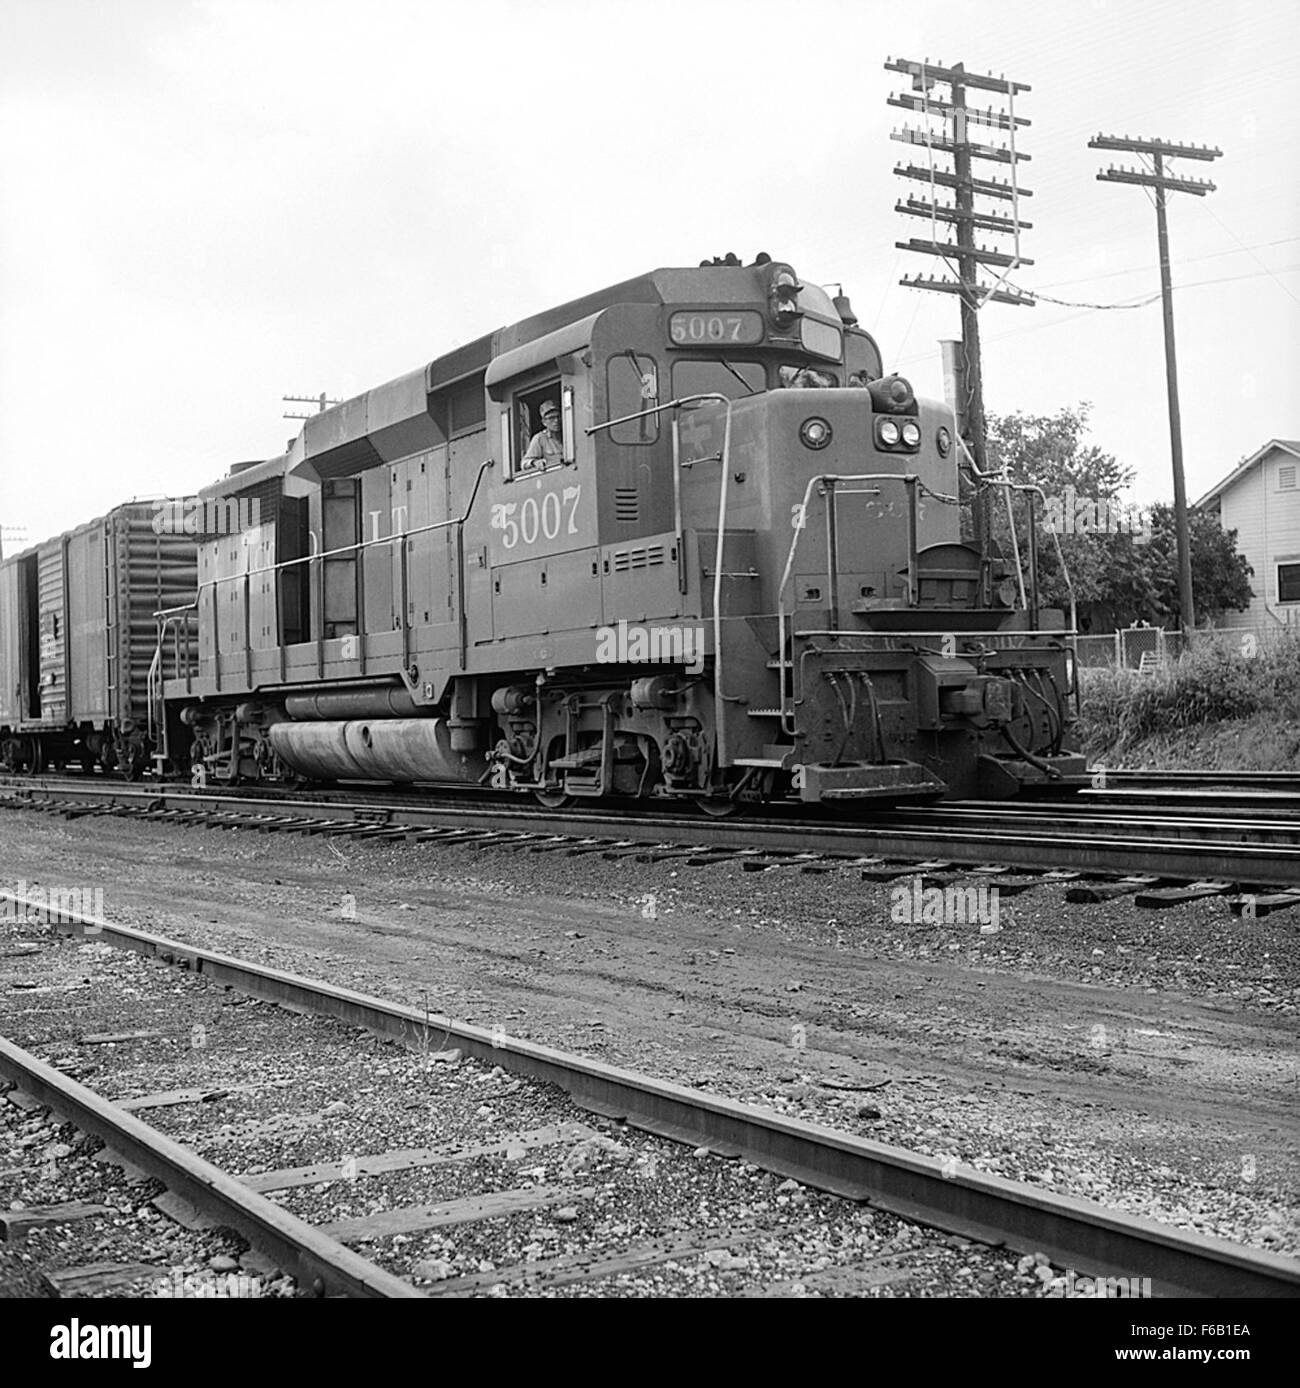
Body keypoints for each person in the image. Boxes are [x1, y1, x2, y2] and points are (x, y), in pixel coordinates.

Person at [522, 401, 564, 469]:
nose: (556, 420)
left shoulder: (568, 433)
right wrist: (535, 462)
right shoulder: (539, 438)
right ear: (544, 422)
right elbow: (524, 463)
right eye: (551, 418)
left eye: (558, 417)